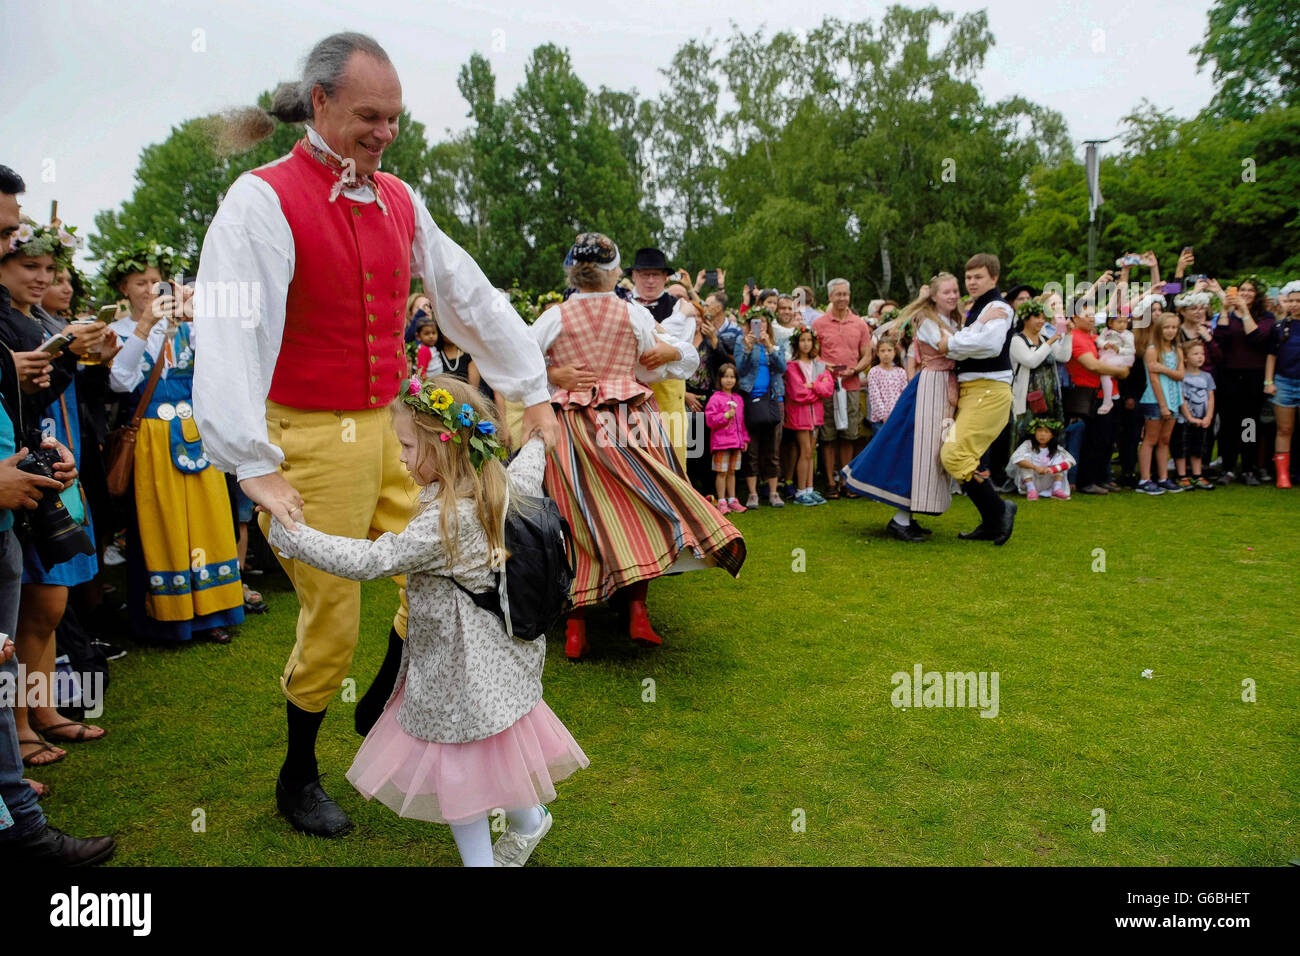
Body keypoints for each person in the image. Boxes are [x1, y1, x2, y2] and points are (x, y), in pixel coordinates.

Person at [192, 32, 558, 837]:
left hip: (393, 426)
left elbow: (468, 292)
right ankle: (299, 773)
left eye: (394, 118)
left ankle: (380, 709)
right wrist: (253, 464)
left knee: (449, 566)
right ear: (318, 102)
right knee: (335, 614)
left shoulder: (400, 200)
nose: (385, 133)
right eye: (369, 116)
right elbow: (231, 331)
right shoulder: (262, 198)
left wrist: (531, 388)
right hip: (307, 433)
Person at [268, 376, 586, 867]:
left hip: (456, 674)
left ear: (443, 447)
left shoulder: (444, 524)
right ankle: (528, 822)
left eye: (406, 445)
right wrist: (541, 438)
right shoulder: (500, 483)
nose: (398, 457)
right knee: (496, 751)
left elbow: (369, 560)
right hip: (499, 663)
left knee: (459, 771)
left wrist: (295, 537)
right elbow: (530, 466)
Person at [531, 233, 744, 660]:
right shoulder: (633, 316)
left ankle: (576, 627)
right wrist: (660, 351)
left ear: (572, 271)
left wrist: (555, 375)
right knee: (642, 508)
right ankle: (637, 611)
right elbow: (675, 363)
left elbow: (518, 363)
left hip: (573, 425)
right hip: (630, 422)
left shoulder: (553, 318)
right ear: (614, 272)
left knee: (576, 516)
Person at [1, 219, 108, 764]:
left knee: (47, 602)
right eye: (31, 266)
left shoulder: (37, 320)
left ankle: (41, 711)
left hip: (57, 463)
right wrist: (65, 353)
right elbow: (31, 399)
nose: (44, 278)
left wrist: (83, 353)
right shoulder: (9, 326)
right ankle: (19, 723)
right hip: (24, 470)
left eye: (51, 269)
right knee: (32, 607)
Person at [107, 256, 246, 644]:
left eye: (156, 282)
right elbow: (120, 382)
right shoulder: (119, 331)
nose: (150, 290)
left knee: (209, 517)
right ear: (124, 289)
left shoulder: (186, 325)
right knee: (162, 521)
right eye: (140, 283)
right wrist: (145, 325)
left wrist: (195, 313)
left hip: (195, 431)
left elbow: (222, 359)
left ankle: (213, 611)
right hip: (151, 436)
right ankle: (168, 615)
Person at [841, 274, 961, 541]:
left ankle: (908, 515)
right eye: (946, 292)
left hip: (942, 386)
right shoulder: (928, 321)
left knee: (928, 451)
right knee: (916, 449)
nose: (952, 296)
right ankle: (900, 519)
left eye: (955, 291)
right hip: (931, 385)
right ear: (933, 295)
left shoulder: (950, 320)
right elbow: (953, 350)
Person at [937, 255, 1018, 546]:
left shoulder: (998, 307)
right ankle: (992, 521)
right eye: (968, 277)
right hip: (974, 391)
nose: (971, 282)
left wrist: (952, 344)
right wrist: (967, 336)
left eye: (978, 277)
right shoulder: (980, 309)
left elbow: (989, 345)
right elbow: (973, 342)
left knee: (954, 455)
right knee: (961, 457)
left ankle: (999, 509)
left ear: (994, 278)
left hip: (988, 391)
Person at [629, 247, 696, 471]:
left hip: (669, 397)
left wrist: (666, 344)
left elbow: (678, 347)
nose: (650, 280)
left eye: (655, 274)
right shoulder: (625, 306)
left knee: (674, 466)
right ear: (634, 276)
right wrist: (679, 318)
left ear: (665, 277)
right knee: (637, 466)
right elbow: (656, 343)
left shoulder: (676, 304)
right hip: (631, 399)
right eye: (644, 274)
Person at [814, 278, 873, 498]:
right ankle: (830, 482)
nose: (842, 298)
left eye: (845, 294)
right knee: (829, 434)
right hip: (828, 386)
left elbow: (867, 353)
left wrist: (856, 369)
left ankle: (846, 481)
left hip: (851, 385)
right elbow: (813, 353)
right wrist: (825, 366)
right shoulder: (819, 324)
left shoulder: (859, 323)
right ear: (830, 297)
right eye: (838, 294)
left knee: (849, 434)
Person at [1213, 278, 1276, 485]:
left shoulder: (1266, 317)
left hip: (1253, 375)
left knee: (1249, 423)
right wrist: (1225, 310)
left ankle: (1248, 467)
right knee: (1228, 423)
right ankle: (1229, 467)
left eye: (1250, 290)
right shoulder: (1229, 315)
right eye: (1243, 289)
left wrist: (1245, 312)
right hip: (1229, 375)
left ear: (1256, 295)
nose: (1246, 293)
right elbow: (1220, 337)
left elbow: (1257, 337)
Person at [734, 308, 787, 509]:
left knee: (773, 447)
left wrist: (770, 347)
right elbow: (740, 369)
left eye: (763, 322)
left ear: (768, 325)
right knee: (752, 449)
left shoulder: (776, 344)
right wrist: (748, 349)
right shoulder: (742, 343)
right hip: (750, 399)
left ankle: (774, 492)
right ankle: (753, 493)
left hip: (773, 399)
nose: (759, 326)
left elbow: (782, 368)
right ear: (749, 326)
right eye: (755, 322)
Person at [783, 327, 834, 506]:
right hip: (800, 416)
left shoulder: (819, 364)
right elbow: (798, 393)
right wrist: (817, 389)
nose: (806, 344)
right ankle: (800, 491)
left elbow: (828, 388)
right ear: (797, 343)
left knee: (810, 452)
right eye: (802, 340)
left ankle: (810, 488)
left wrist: (813, 386)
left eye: (809, 340)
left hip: (816, 416)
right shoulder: (792, 366)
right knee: (804, 452)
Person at [1136, 313, 1185, 496]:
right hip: (1155, 399)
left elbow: (1180, 375)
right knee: (1151, 439)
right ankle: (1145, 478)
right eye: (1167, 327)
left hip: (1174, 398)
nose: (1171, 331)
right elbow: (1154, 379)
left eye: (1174, 327)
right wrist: (1163, 406)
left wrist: (1162, 368)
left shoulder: (1177, 350)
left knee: (1165, 440)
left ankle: (1163, 477)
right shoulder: (1152, 350)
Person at [1263, 281, 1300, 488]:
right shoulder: (1279, 327)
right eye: (1291, 301)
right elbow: (1271, 356)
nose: (1294, 305)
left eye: (1298, 301)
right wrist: (1269, 381)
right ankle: (1282, 475)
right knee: (1284, 429)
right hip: (1284, 382)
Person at [1172, 340, 1216, 490]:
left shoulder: (1207, 376)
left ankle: (1197, 475)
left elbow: (1210, 397)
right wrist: (1189, 417)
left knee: (1198, 448)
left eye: (1202, 354)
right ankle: (1182, 475)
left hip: (1202, 419)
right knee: (1182, 447)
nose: (1200, 357)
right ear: (1185, 358)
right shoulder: (1181, 376)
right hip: (1184, 420)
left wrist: (1208, 416)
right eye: (1195, 354)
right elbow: (1181, 398)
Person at [705, 363, 748, 513]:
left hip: (736, 442)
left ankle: (732, 499)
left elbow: (741, 422)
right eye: (725, 377)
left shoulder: (739, 399)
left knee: (732, 472)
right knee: (721, 472)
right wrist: (725, 416)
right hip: (721, 443)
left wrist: (745, 439)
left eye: (732, 377)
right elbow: (710, 420)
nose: (729, 380)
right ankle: (722, 501)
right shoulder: (715, 398)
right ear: (719, 379)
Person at [1006, 420, 1074, 500]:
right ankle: (1031, 490)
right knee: (1024, 458)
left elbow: (1071, 460)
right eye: (1039, 431)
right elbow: (1016, 459)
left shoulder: (1056, 448)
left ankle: (1056, 489)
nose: (1042, 434)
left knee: (1060, 458)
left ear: (1052, 435)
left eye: (1046, 432)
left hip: (1047, 480)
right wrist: (1035, 468)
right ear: (1034, 433)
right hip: (1029, 480)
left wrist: (1052, 469)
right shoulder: (1028, 444)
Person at [1096, 311, 1135, 416]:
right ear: (1110, 323)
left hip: (1122, 358)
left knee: (1104, 373)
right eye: (1119, 322)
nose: (1123, 324)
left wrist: (1119, 350)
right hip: (1108, 354)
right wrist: (1104, 344)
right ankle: (1109, 396)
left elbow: (1131, 350)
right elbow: (1098, 340)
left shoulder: (1128, 335)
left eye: (1125, 322)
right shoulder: (1105, 331)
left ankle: (1107, 401)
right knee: (1104, 373)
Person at [865, 339, 908, 429]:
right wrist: (884, 417)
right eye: (883, 351)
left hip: (898, 418)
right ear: (877, 353)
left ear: (894, 352)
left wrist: (900, 414)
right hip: (881, 421)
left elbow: (904, 395)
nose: (886, 354)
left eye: (889, 350)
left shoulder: (901, 372)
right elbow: (875, 397)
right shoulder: (874, 372)